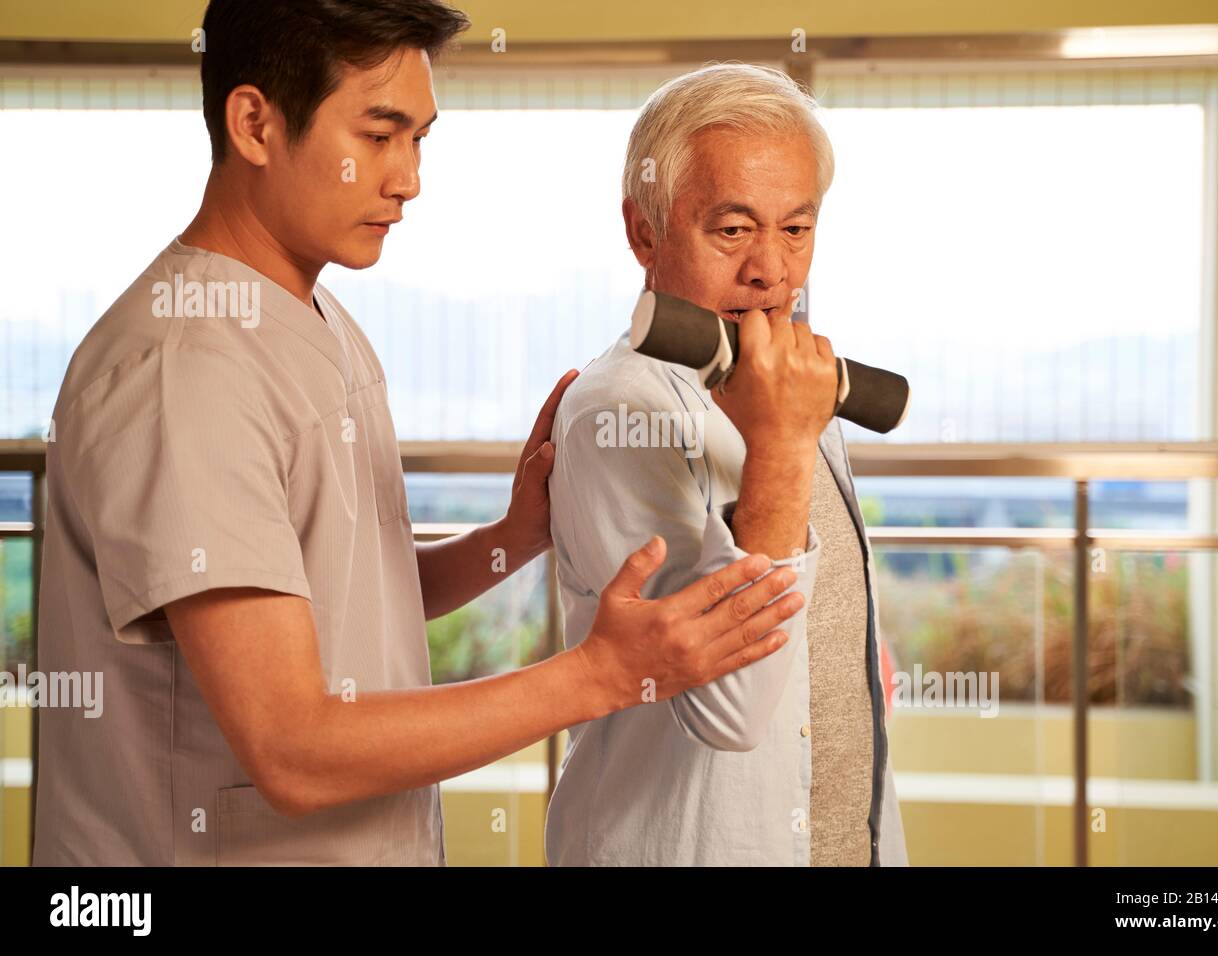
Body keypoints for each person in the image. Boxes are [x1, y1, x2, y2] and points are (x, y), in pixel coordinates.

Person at [32, 0, 803, 866]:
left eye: (420, 139)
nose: (408, 178)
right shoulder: (186, 369)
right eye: (379, 134)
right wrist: (598, 674)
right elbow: (292, 748)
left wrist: (509, 541)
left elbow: (341, 599)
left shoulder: (317, 318)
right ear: (254, 123)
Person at [545, 64, 909, 866]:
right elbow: (730, 709)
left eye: (796, 229)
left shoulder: (779, 380)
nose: (772, 272)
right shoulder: (619, 413)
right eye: (734, 229)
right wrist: (778, 444)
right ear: (644, 230)